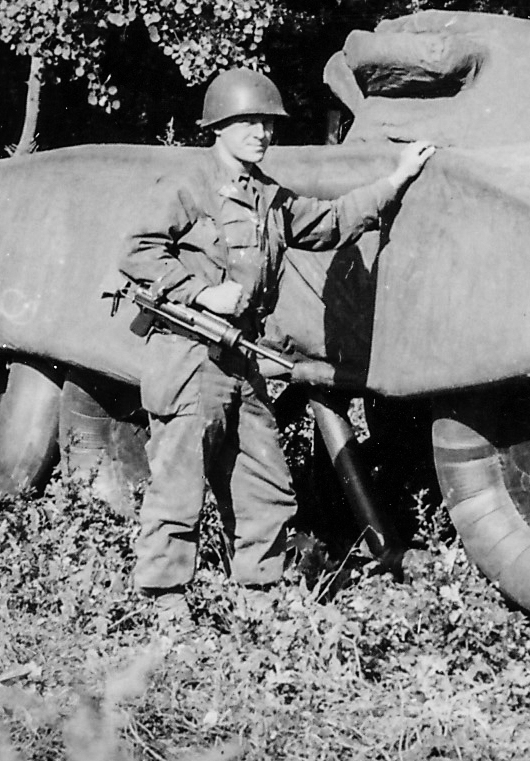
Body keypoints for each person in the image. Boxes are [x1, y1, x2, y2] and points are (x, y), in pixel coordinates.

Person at [120, 66, 435, 617]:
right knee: (180, 481)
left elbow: (332, 221)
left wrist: (396, 179)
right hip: (190, 357)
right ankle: (163, 603)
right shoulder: (186, 186)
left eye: (268, 123)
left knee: (264, 481)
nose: (262, 133)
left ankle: (258, 595)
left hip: (243, 358)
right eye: (248, 122)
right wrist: (202, 292)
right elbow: (138, 254)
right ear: (218, 125)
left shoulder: (269, 195)